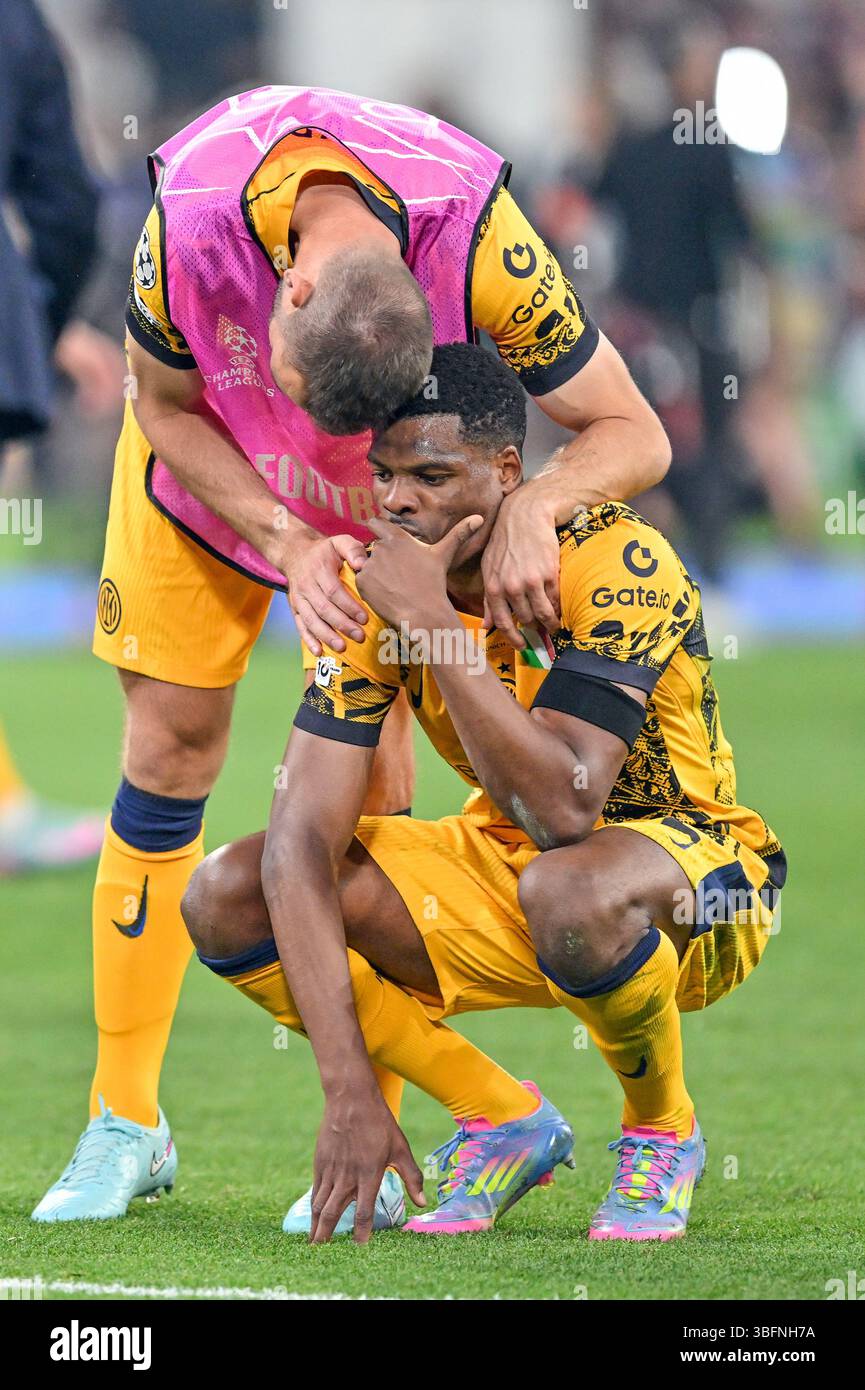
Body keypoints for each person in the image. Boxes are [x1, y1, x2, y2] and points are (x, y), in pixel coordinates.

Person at [32, 86, 670, 1224]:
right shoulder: (183, 217)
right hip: (209, 476)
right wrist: (282, 530)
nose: (296, 414)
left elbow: (632, 428)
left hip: (389, 500)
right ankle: (124, 1119)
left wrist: (536, 507)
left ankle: (412, 1131)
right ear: (289, 290)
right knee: (169, 746)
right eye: (284, 371)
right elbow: (163, 399)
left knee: (363, 804)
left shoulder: (481, 240)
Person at [182, 343, 786, 1244]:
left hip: (712, 880)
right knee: (226, 893)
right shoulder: (372, 591)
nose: (397, 502)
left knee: (570, 885)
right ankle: (499, 1116)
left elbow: (566, 808)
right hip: (515, 864)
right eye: (385, 476)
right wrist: (347, 1092)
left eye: (430, 474)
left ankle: (663, 1129)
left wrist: (432, 625)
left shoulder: (617, 560)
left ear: (508, 471)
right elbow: (297, 846)